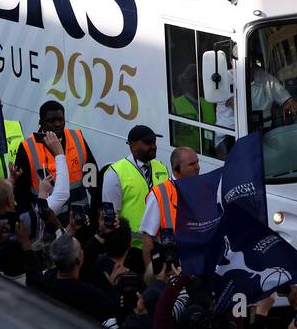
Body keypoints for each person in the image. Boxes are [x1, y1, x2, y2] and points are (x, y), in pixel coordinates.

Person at [13, 100, 97, 213]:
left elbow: (92, 179)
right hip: (47, 219)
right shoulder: (27, 147)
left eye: (60, 120)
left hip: (79, 217)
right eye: (51, 121)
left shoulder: (77, 138)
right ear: (41, 122)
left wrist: (96, 209)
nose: (57, 124)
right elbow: (21, 191)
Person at [100, 124, 169, 257]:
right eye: (148, 143)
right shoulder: (116, 173)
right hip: (132, 248)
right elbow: (111, 215)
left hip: (159, 244)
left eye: (154, 142)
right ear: (132, 145)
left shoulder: (161, 167)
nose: (153, 146)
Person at [139, 145, 200, 271]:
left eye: (197, 162)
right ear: (177, 169)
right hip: (172, 265)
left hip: (197, 262)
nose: (197, 167)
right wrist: (151, 278)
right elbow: (147, 239)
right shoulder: (160, 193)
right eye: (192, 164)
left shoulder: (201, 187)